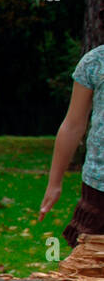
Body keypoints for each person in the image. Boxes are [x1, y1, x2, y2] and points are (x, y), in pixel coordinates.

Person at [40, 46, 104, 246]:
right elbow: (73, 125)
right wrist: (54, 183)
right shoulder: (94, 62)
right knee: (90, 270)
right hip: (99, 185)